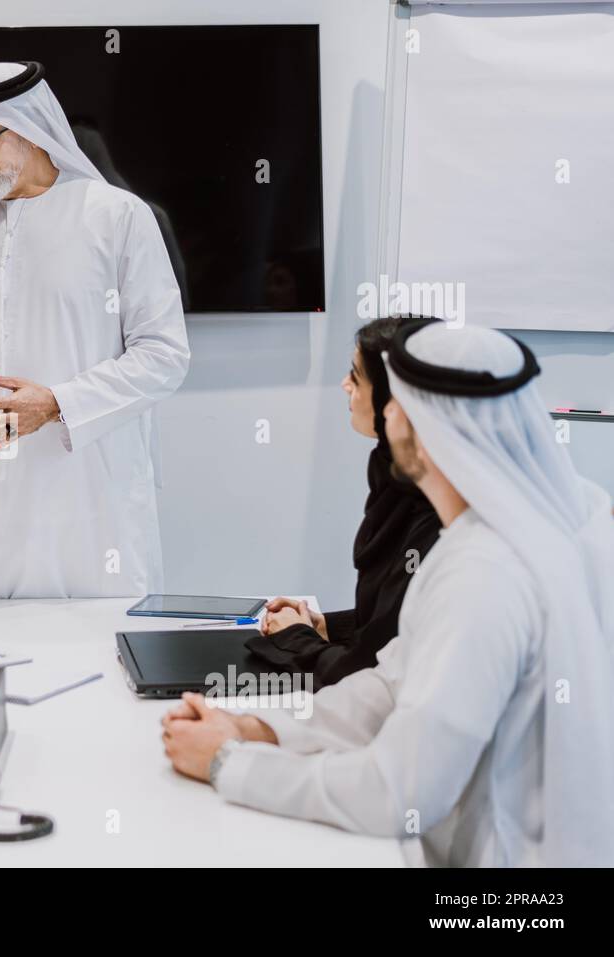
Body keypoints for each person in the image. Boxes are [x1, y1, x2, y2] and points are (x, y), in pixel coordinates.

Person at [160, 319, 614, 867]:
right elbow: (388, 686)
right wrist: (255, 730)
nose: (387, 412)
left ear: (425, 428)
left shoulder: (487, 573)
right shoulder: (496, 529)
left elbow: (400, 792)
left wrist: (228, 764)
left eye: (400, 402)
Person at [0, 61, 190, 599]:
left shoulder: (118, 218)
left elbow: (163, 354)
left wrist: (57, 403)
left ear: (34, 129)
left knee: (102, 671)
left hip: (90, 509)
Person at [246, 317, 442, 687]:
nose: (343, 384)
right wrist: (326, 626)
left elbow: (370, 675)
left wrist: (296, 637)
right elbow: (395, 620)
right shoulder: (393, 473)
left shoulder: (436, 511)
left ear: (392, 399)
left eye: (356, 376)